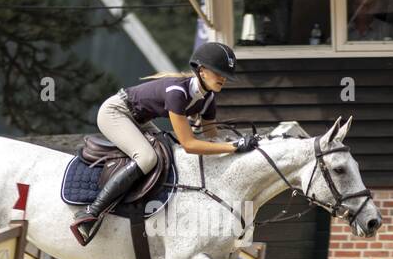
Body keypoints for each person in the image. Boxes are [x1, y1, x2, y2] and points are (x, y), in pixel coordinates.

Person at [69, 42, 258, 245]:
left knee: (171, 154)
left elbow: (212, 138)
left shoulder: (208, 98)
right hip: (115, 112)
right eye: (219, 73)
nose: (223, 78)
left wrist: (235, 146)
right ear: (202, 71)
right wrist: (234, 146)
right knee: (147, 157)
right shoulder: (178, 92)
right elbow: (190, 145)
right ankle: (91, 212)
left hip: (139, 119)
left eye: (226, 75)